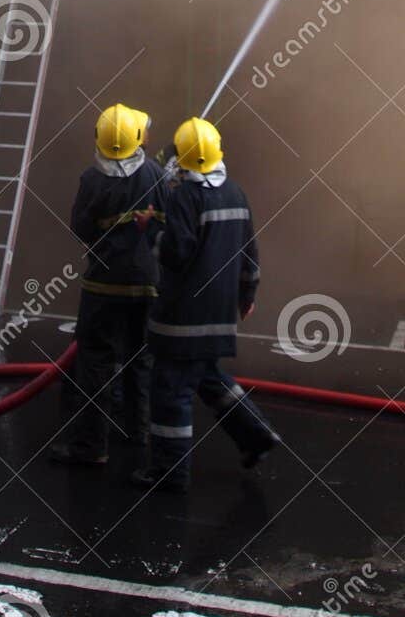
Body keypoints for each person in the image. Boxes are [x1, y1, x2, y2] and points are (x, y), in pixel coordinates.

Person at [132, 116, 279, 493]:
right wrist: (247, 294)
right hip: (219, 314)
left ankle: (169, 471)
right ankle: (256, 435)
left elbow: (177, 253)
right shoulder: (236, 193)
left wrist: (151, 229)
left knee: (171, 392)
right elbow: (250, 251)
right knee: (208, 377)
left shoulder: (185, 197)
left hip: (183, 318)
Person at [51, 103, 166, 467]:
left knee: (96, 364)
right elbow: (167, 224)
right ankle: (138, 431)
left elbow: (80, 227)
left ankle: (91, 447)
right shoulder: (156, 174)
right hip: (147, 284)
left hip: (103, 285)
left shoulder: (92, 178)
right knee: (140, 360)